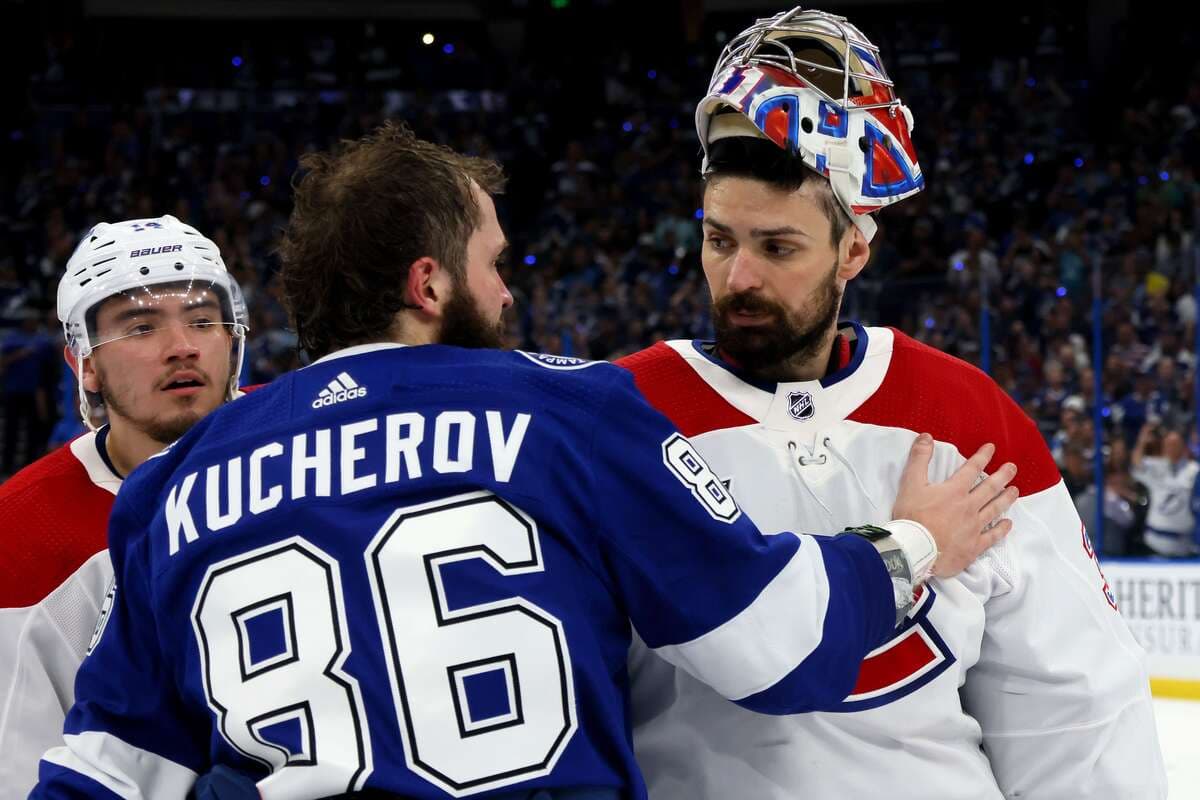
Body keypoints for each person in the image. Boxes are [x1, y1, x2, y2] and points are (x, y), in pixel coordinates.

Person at [32, 123, 1015, 799]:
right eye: (494, 264)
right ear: (429, 282)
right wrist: (915, 539)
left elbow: (106, 767)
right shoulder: (567, 408)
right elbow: (776, 644)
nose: (508, 294)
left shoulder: (171, 487)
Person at [618, 8, 1166, 799]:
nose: (738, 278)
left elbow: (1075, 710)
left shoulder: (967, 416)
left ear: (854, 251)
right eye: (719, 240)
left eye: (778, 247)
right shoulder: (624, 413)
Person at [0, 215, 248, 800]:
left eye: (203, 320)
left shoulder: (311, 444)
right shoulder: (19, 531)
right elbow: (20, 772)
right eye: (140, 327)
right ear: (84, 363)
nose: (183, 347)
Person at [1132, 420, 1199, 556]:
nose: (1171, 448)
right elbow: (1137, 464)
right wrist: (1142, 440)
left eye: (1175, 444)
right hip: (1153, 544)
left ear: (1183, 446)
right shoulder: (1155, 466)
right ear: (1163, 446)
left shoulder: (1194, 470)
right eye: (1168, 444)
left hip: (1183, 546)